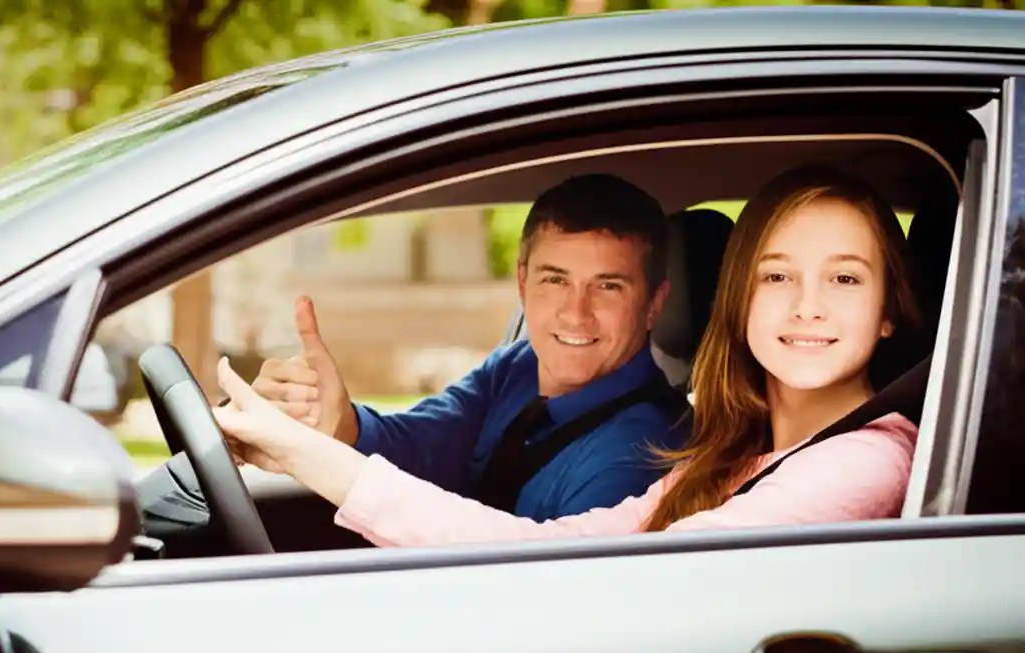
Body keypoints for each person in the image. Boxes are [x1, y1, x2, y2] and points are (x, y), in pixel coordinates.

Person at [214, 166, 924, 547]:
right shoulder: (735, 452)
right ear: (738, 301)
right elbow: (547, 547)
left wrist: (306, 454)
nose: (807, 305)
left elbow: (601, 576)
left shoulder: (866, 461)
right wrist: (320, 438)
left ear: (889, 309)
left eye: (844, 278)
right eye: (776, 275)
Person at [248, 174, 687, 521]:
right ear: (522, 282)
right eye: (555, 280)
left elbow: (545, 598)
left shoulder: (642, 452)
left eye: (608, 287)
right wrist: (341, 424)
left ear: (654, 304)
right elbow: (425, 442)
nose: (576, 313)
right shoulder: (517, 368)